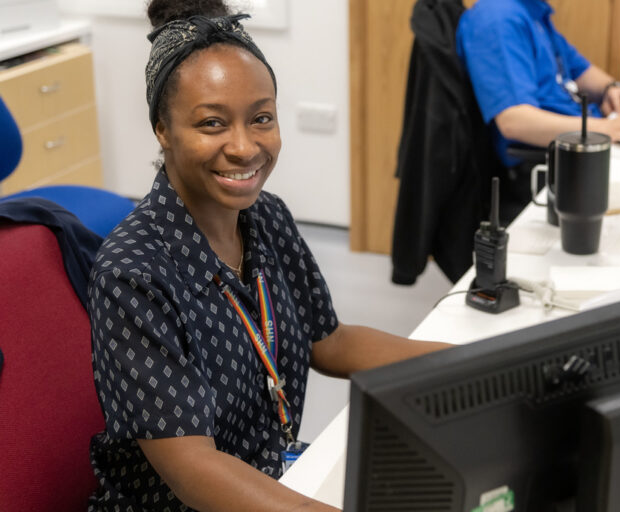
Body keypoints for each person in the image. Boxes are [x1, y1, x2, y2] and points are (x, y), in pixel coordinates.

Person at [86, 1, 448, 510]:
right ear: (163, 130)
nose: (244, 147)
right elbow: (195, 468)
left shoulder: (267, 216)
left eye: (261, 118)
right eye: (212, 124)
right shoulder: (132, 273)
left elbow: (332, 342)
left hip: (274, 479)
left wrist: (475, 362)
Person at [456, 0, 620, 169]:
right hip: (549, 162)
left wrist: (612, 88)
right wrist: (604, 129)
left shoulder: (534, 11)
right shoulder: (498, 18)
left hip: (581, 143)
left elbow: (581, 71)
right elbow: (514, 122)